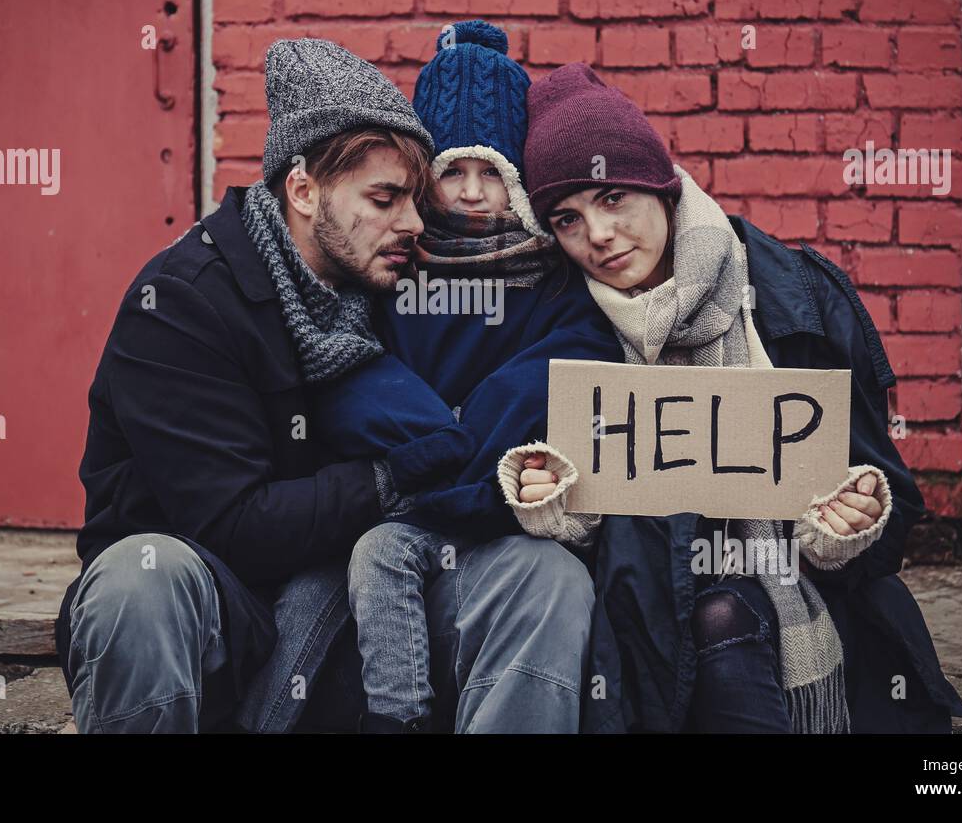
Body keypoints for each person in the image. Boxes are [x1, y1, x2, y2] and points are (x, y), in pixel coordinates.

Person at [54, 39, 595, 733]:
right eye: (385, 198)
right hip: (223, 624)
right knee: (138, 578)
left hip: (376, 614)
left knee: (542, 577)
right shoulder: (185, 304)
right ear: (303, 191)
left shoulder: (381, 282)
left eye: (414, 197)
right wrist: (393, 478)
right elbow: (231, 526)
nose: (413, 222)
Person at [495, 63, 962, 733]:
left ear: (659, 186)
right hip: (653, 619)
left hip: (805, 598)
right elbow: (581, 550)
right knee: (715, 611)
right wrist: (556, 504)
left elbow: (890, 506)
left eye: (612, 199)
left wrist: (847, 522)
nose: (597, 235)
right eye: (567, 218)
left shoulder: (794, 296)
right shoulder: (566, 331)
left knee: (725, 613)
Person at [306, 21, 622, 731]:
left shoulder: (549, 278)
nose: (475, 193)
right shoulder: (395, 270)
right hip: (414, 502)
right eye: (454, 172)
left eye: (494, 174)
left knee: (544, 578)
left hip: (508, 503)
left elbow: (565, 367)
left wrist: (473, 434)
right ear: (426, 178)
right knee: (374, 555)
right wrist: (431, 439)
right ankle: (399, 714)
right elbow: (355, 368)